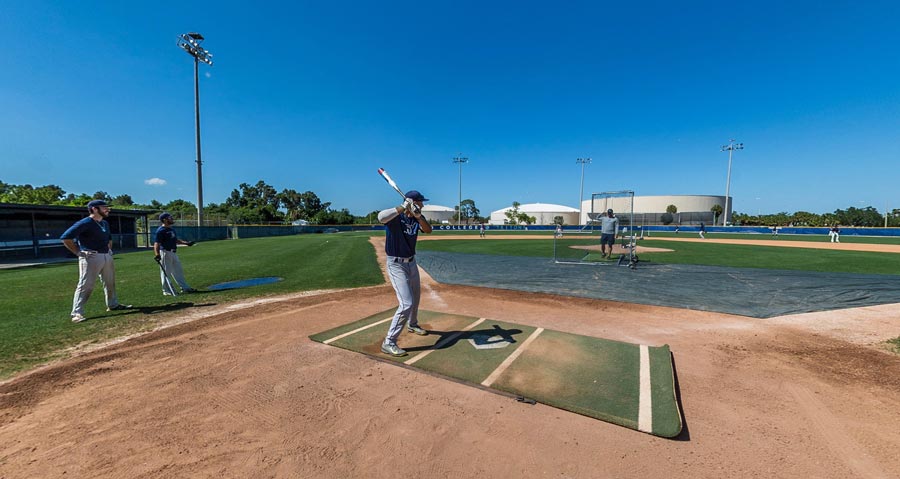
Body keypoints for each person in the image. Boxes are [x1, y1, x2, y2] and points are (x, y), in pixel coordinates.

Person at [378, 190, 433, 357]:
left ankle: (413, 324)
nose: (422, 205)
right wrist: (402, 207)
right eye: (420, 202)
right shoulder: (395, 218)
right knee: (406, 303)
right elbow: (381, 217)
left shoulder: (416, 218)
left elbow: (428, 230)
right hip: (396, 264)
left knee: (416, 296)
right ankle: (389, 342)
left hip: (411, 262)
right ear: (412, 202)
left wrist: (417, 216)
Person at [60, 200, 131, 323]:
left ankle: (113, 304)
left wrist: (109, 250)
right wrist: (78, 252)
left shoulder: (104, 223)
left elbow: (108, 238)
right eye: (104, 207)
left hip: (106, 255)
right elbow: (66, 237)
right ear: (94, 209)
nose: (108, 210)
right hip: (91, 257)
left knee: (110, 282)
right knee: (86, 285)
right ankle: (76, 313)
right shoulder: (85, 223)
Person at [153, 212, 197, 295]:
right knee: (166, 272)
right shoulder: (161, 231)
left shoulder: (171, 229)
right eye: (170, 217)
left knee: (178, 271)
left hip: (173, 252)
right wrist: (157, 254)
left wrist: (186, 243)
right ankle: (167, 290)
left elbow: (175, 240)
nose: (172, 219)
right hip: (165, 252)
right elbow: (156, 244)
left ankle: (185, 288)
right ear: (164, 220)